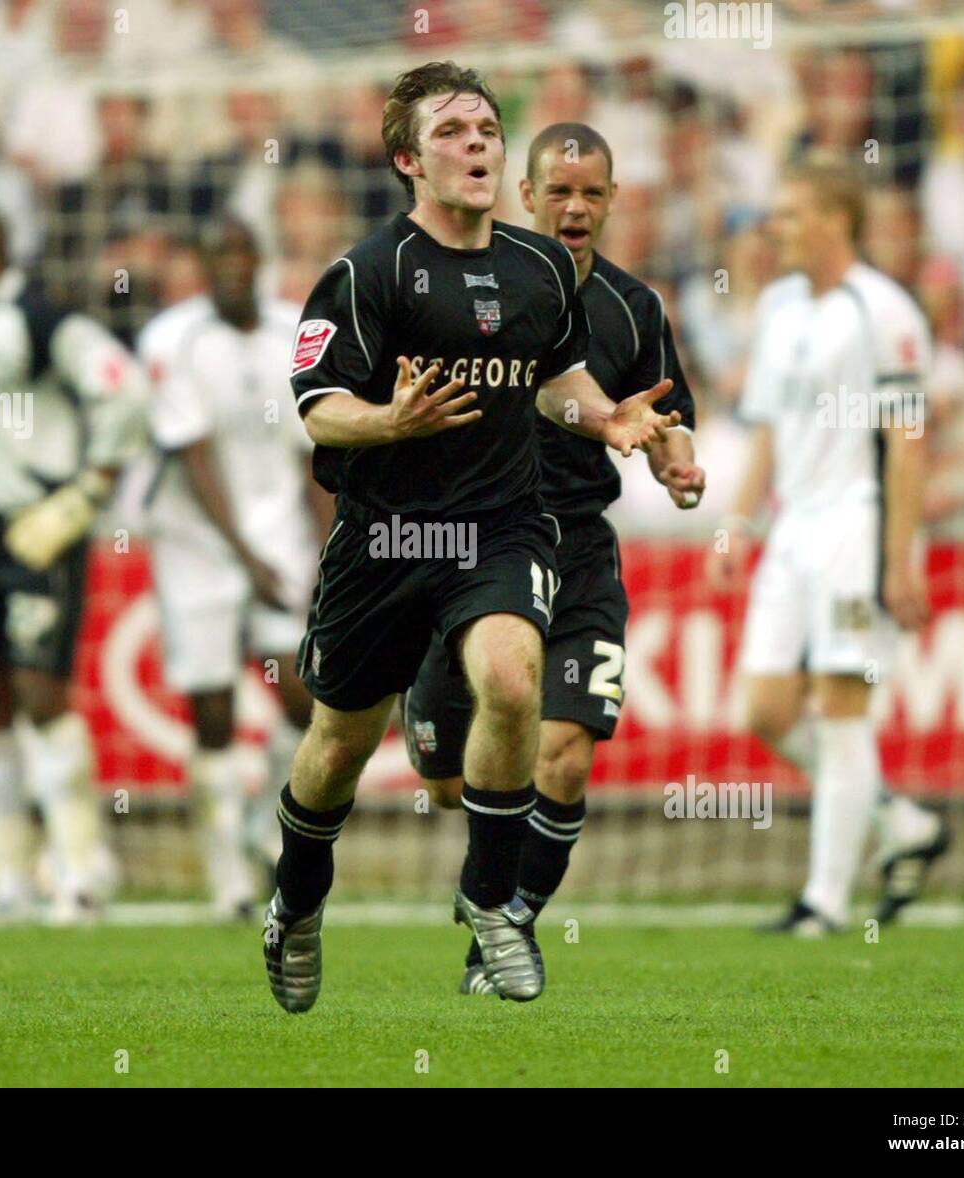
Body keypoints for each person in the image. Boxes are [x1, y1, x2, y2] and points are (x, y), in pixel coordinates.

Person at [266, 62, 680, 1012]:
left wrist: (607, 421)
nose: (480, 144)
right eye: (453, 132)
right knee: (337, 746)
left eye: (489, 129)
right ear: (410, 160)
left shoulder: (537, 271)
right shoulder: (367, 274)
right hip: (386, 541)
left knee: (511, 678)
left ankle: (491, 902)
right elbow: (322, 413)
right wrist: (391, 424)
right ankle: (295, 904)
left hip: (500, 528)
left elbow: (555, 378)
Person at [404, 122, 703, 994]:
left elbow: (664, 411)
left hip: (576, 550)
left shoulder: (635, 308)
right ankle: (493, 881)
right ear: (526, 196)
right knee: (451, 778)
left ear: (611, 202)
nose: (576, 207)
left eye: (593, 193)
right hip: (473, 547)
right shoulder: (467, 288)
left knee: (564, 753)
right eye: (559, 191)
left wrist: (674, 458)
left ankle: (497, 938)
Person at [707, 160, 949, 935]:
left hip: (856, 523)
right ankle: (901, 823)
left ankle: (825, 903)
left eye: (788, 214)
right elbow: (770, 430)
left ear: (834, 220)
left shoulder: (885, 310)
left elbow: (908, 442)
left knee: (844, 708)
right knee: (765, 709)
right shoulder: (779, 305)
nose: (773, 229)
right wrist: (738, 524)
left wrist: (900, 556)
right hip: (791, 528)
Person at [0, 200, 148, 924]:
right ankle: (11, 880)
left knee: (42, 695)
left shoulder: (38, 318)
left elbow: (123, 384)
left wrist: (87, 495)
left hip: (35, 531)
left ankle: (82, 872)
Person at [140, 219, 331, 920]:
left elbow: (317, 452)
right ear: (204, 265)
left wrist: (324, 551)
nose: (230, 265)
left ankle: (259, 826)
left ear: (257, 260)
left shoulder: (297, 332)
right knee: (213, 711)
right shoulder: (172, 340)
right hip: (197, 547)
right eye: (216, 253)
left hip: (280, 543)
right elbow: (191, 458)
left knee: (303, 701)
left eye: (240, 252)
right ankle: (227, 877)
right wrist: (243, 558)